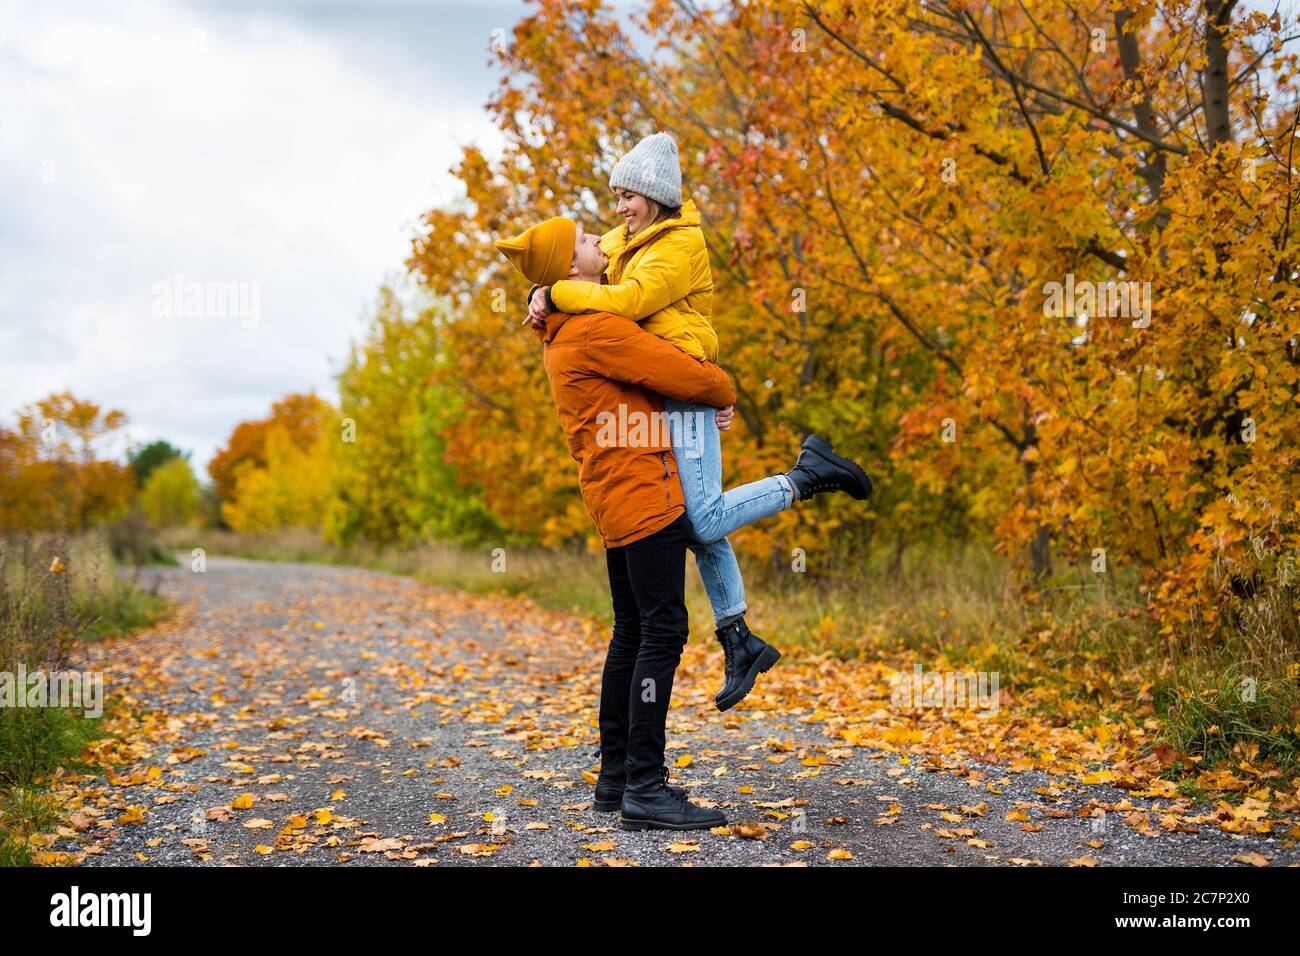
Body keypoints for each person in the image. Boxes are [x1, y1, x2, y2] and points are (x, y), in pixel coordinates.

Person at [496, 214, 872, 830]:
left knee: (631, 632)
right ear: (568, 269)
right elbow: (688, 374)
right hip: (645, 495)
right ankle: (645, 786)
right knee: (662, 633)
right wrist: (720, 392)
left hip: (616, 498)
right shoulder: (594, 329)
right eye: (586, 242)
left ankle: (616, 780)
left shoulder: (566, 327)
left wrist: (542, 294)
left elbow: (657, 371)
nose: (599, 242)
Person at [525, 131, 872, 713]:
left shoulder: (678, 245)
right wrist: (543, 286)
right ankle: (738, 637)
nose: (616, 211)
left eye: (627, 196)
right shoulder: (632, 234)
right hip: (670, 389)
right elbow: (580, 256)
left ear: (654, 195)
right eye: (614, 197)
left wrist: (558, 289)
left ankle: (806, 477)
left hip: (686, 380)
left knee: (703, 519)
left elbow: (631, 301)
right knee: (695, 517)